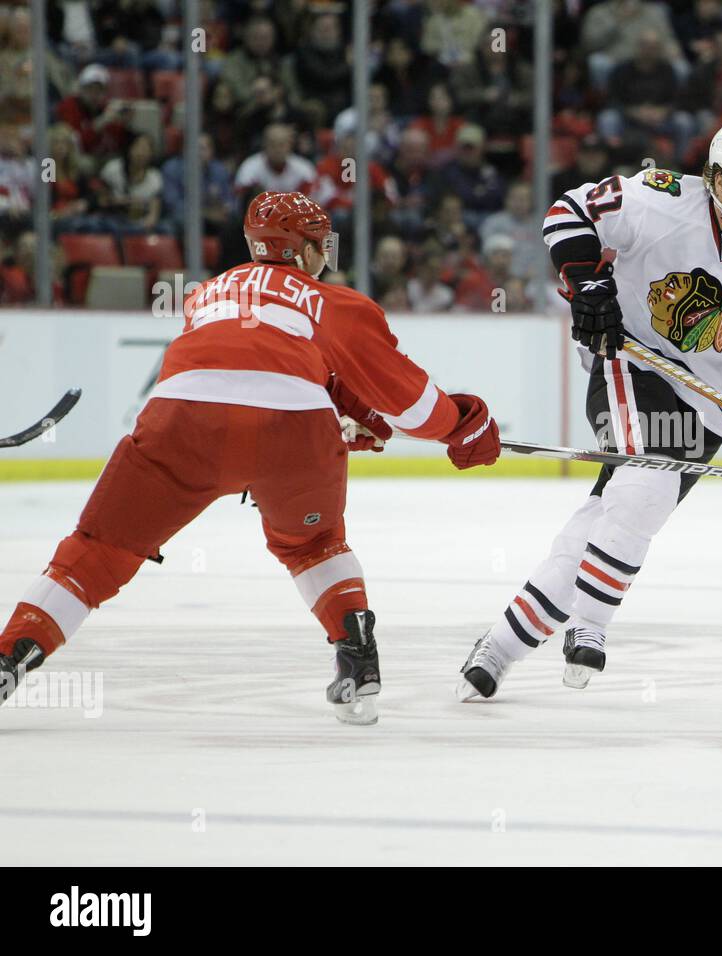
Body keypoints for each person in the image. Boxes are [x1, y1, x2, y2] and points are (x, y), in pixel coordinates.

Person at [0, 192, 501, 724]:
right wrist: (463, 427)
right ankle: (357, 661)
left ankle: (10, 656)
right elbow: (410, 402)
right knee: (313, 543)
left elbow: (241, 362)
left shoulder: (206, 293)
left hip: (183, 420)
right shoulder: (331, 301)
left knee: (100, 550)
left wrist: (337, 408)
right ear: (307, 249)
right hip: (294, 433)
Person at [457, 122, 722, 699]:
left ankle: (501, 645)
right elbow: (567, 212)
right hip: (629, 359)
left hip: (706, 404)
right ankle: (590, 624)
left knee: (618, 510)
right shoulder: (660, 198)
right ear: (719, 180)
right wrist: (587, 285)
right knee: (648, 483)